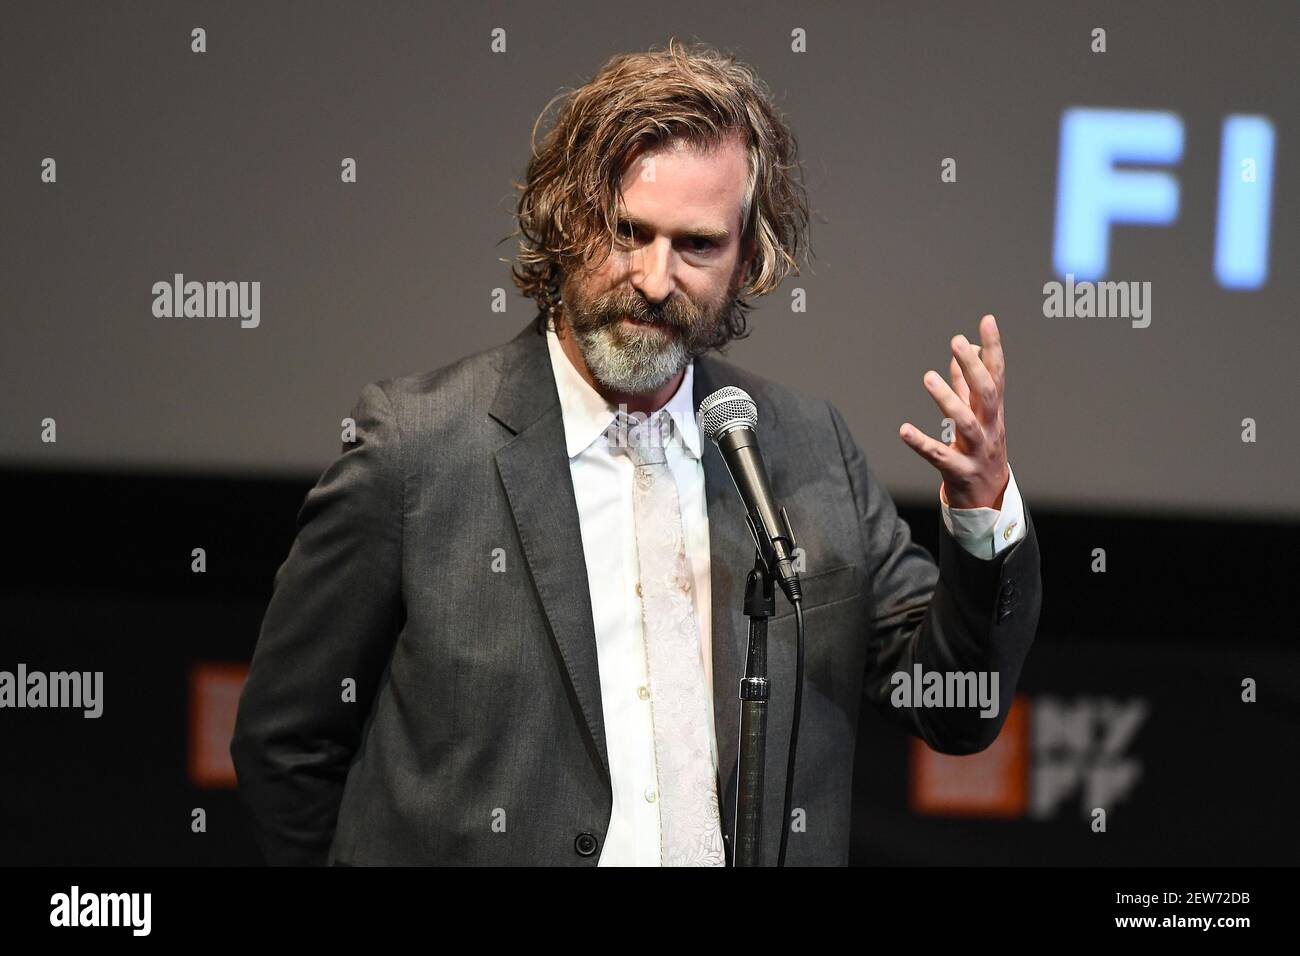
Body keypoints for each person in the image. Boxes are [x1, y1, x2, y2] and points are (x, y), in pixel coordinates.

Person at [230, 39, 1041, 867]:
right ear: (563, 221)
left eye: (697, 245)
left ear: (748, 258)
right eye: (626, 232)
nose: (656, 279)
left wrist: (983, 516)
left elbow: (953, 708)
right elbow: (286, 745)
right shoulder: (416, 448)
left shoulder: (806, 450)